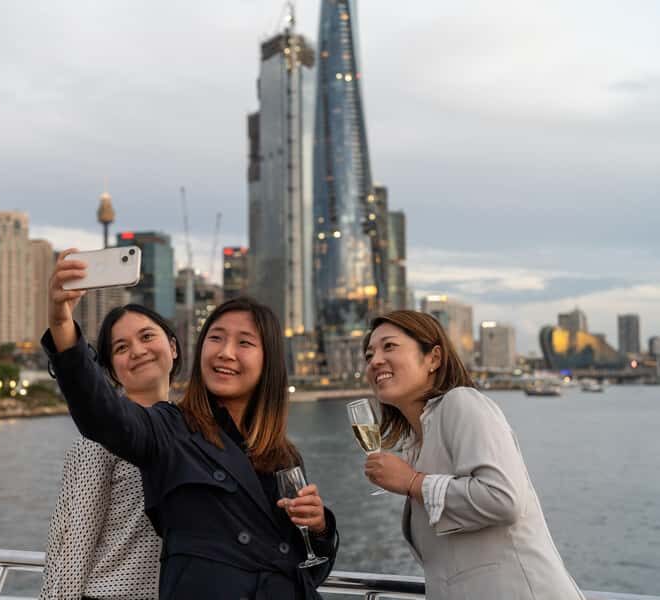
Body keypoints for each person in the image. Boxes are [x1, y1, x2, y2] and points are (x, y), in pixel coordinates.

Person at [42, 249, 338, 600]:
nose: (226, 352)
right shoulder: (169, 428)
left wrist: (319, 527)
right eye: (215, 338)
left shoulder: (281, 455)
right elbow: (102, 415)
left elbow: (305, 567)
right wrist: (61, 324)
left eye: (244, 342)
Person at [361, 310, 584, 600]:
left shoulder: (461, 402)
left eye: (389, 346)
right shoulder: (415, 443)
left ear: (434, 358)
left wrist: (413, 482)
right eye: (368, 355)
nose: (375, 360)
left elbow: (504, 498)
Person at [40, 303, 181, 600]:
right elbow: (72, 542)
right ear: (112, 371)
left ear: (173, 346)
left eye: (146, 337)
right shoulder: (99, 440)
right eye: (121, 347)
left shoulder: (193, 429)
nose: (138, 350)